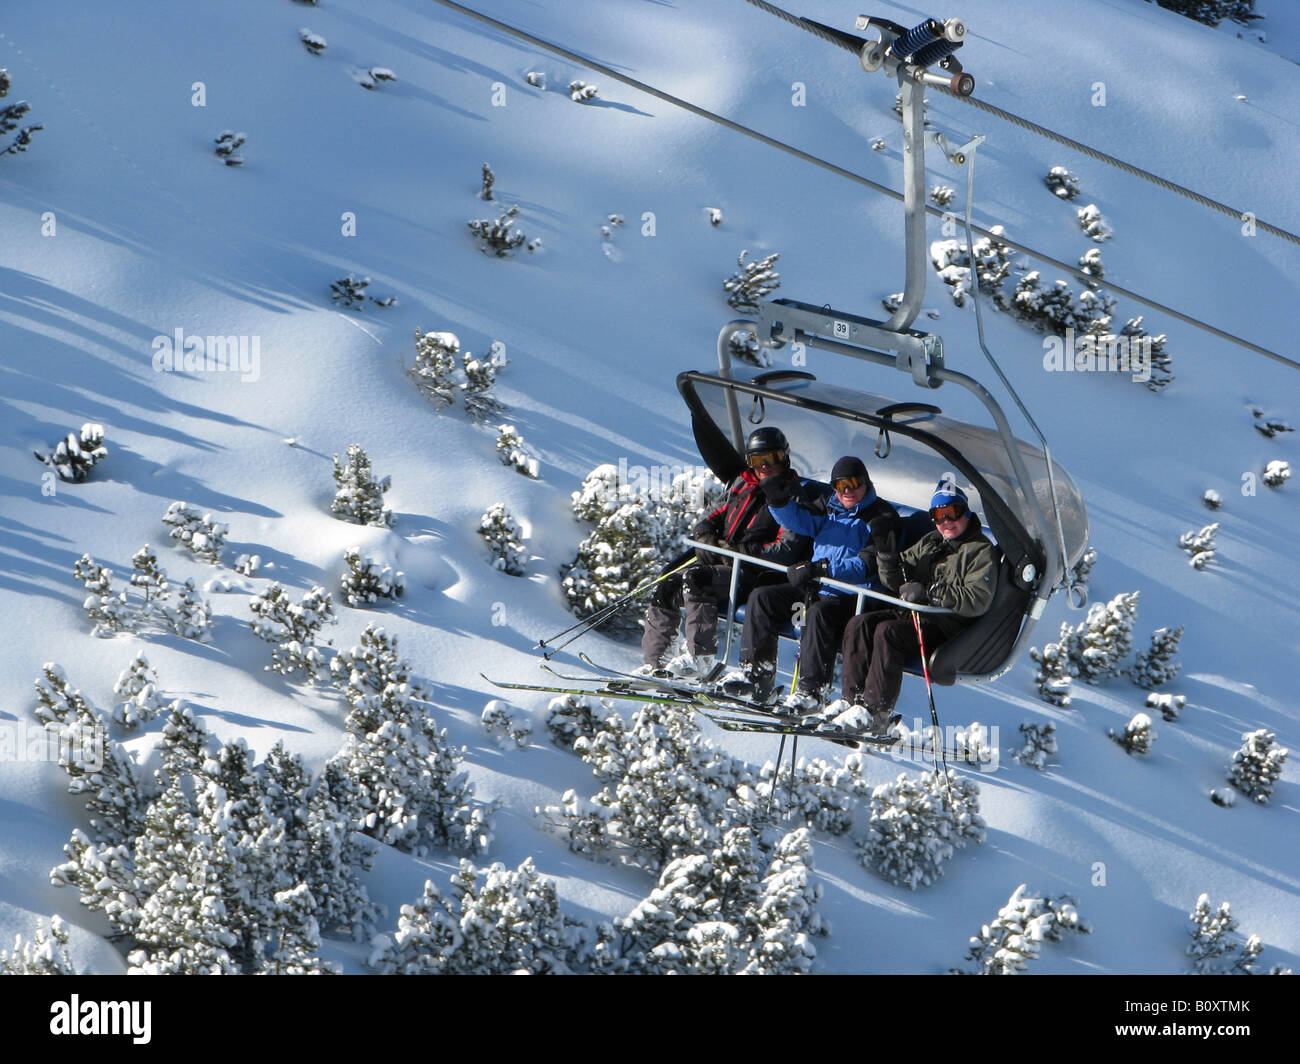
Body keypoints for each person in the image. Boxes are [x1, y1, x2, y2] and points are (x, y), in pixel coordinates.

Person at [722, 455, 900, 708]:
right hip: (818, 586)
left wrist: (822, 568)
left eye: (853, 483)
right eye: (840, 486)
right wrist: (778, 501)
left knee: (817, 612)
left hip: (853, 596)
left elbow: (865, 566)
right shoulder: (829, 507)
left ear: (866, 483)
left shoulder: (880, 517)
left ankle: (812, 692)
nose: (847, 491)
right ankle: (757, 674)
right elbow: (800, 520)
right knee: (764, 597)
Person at [638, 426, 815, 679]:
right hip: (722, 566)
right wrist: (705, 535)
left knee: (696, 580)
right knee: (666, 586)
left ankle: (699, 657)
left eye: (771, 458)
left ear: (784, 458)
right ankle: (656, 662)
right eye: (757, 460)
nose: (764, 466)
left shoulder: (794, 497)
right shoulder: (742, 484)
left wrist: (742, 551)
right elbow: (710, 514)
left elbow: (787, 548)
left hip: (753, 573)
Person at [836, 477, 999, 734]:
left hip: (946, 626)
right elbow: (895, 579)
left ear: (966, 511)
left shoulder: (980, 551)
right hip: (914, 615)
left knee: (888, 632)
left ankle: (876, 710)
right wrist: (887, 557)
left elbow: (977, 599)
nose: (946, 521)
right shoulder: (931, 542)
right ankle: (851, 702)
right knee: (860, 624)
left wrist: (930, 592)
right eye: (938, 515)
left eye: (952, 512)